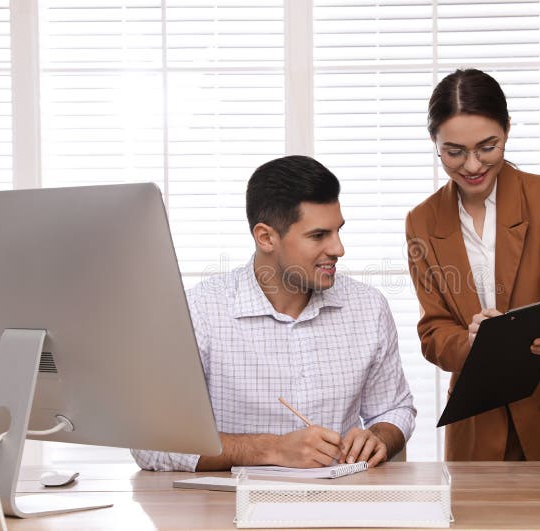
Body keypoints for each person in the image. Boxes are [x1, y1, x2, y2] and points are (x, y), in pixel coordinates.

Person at [133, 155, 416, 471]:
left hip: (341, 506)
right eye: (319, 235)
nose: (339, 249)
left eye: (338, 231)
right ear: (266, 237)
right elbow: (151, 444)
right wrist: (272, 450)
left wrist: (378, 435)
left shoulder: (369, 307)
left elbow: (395, 409)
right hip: (229, 511)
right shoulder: (199, 312)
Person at [405, 69, 540, 461]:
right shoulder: (421, 221)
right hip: (480, 421)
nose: (472, 166)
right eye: (453, 151)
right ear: (434, 142)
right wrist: (468, 343)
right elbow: (433, 331)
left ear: (507, 130)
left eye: (488, 147)